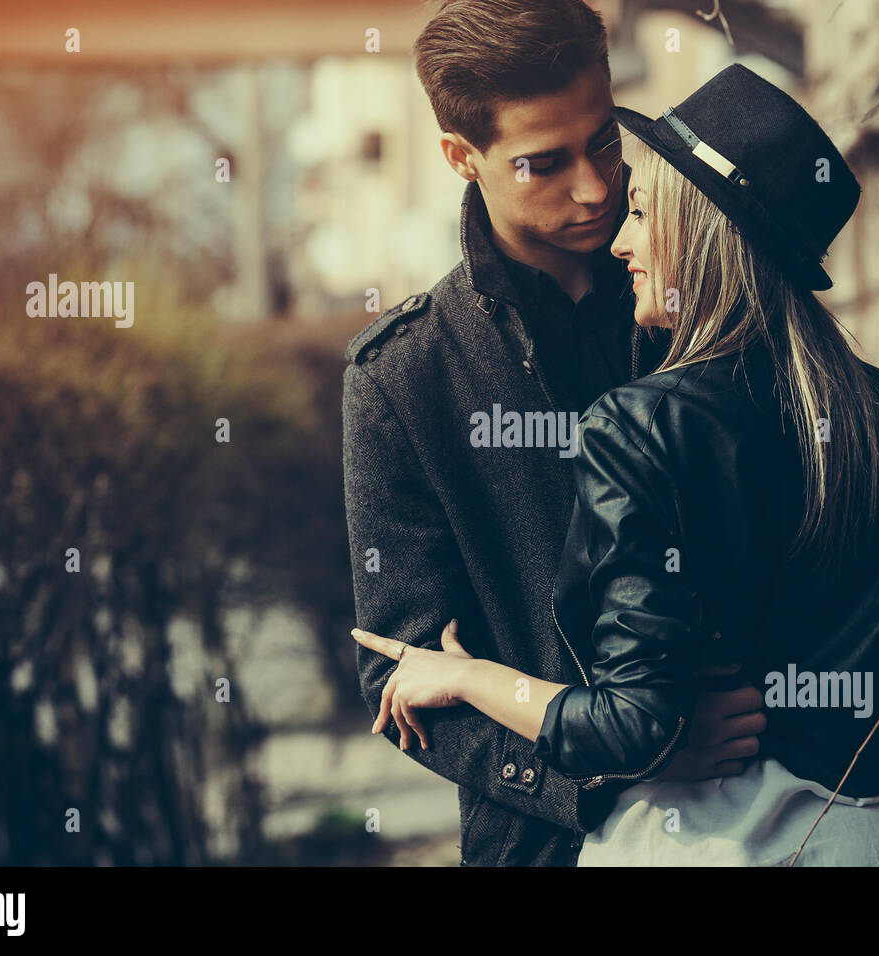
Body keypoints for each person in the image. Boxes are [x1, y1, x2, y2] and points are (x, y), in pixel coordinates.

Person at [353, 62, 879, 866]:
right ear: (462, 156)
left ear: (700, 232)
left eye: (637, 203)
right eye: (548, 161)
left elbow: (633, 723)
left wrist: (469, 678)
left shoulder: (640, 423)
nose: (614, 223)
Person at [341, 0, 768, 868]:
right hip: (544, 848)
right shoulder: (399, 376)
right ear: (461, 158)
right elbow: (398, 670)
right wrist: (611, 766)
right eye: (544, 164)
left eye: (605, 140)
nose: (596, 187)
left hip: (769, 812)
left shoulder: (711, 295)